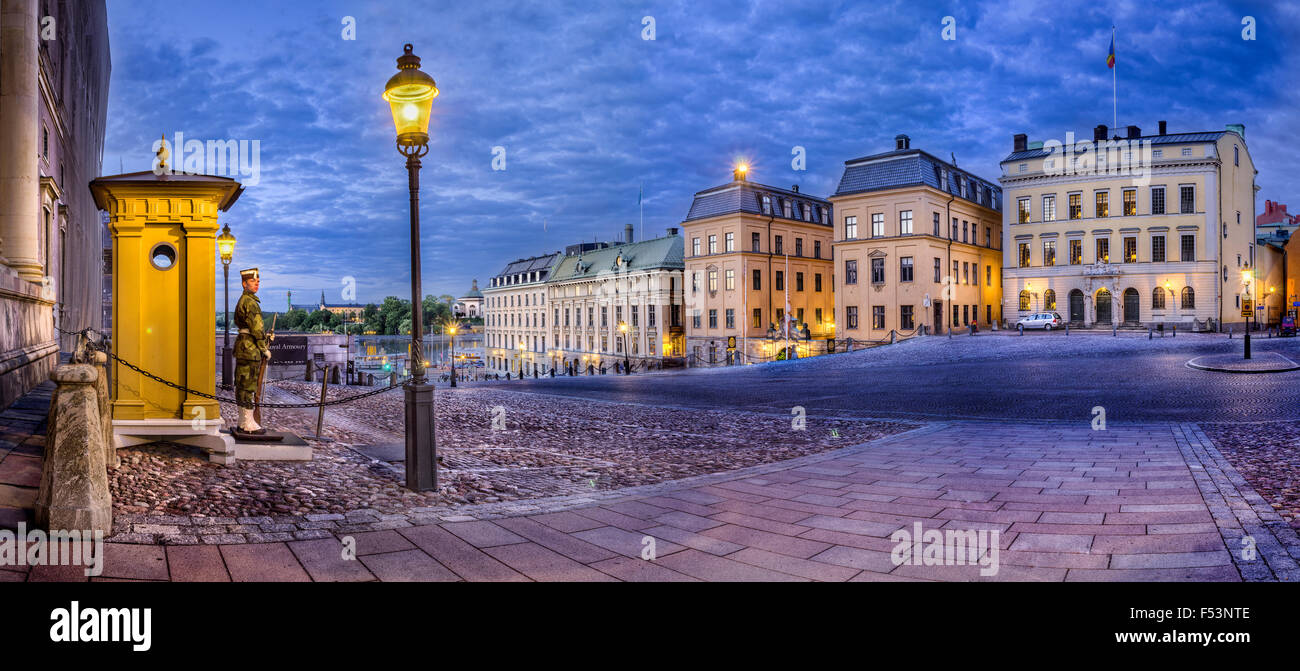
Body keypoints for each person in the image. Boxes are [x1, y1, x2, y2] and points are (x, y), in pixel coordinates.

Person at [233, 267, 272, 433]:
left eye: (257, 281)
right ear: (244, 284)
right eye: (252, 281)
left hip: (243, 346)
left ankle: (243, 421)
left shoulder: (243, 300)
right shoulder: (251, 303)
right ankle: (248, 423)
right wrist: (264, 348)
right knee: (249, 386)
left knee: (242, 385)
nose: (256, 284)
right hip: (251, 349)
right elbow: (257, 328)